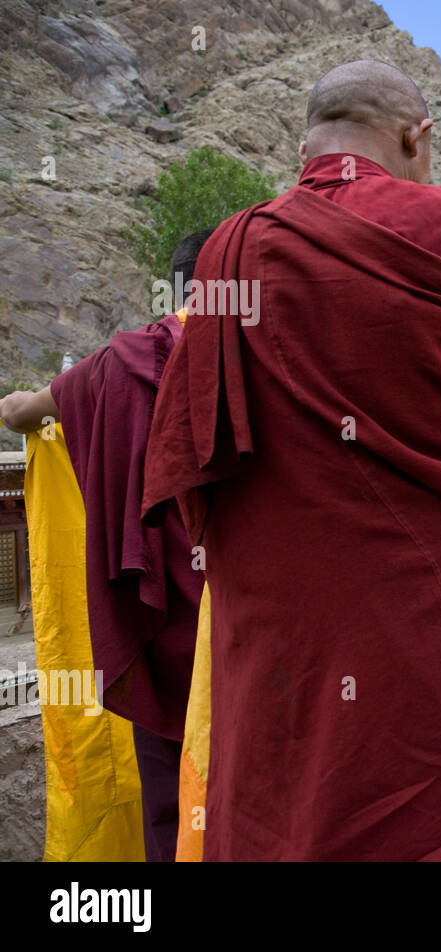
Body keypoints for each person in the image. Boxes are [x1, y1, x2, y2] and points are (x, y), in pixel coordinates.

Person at [140, 60, 441, 861]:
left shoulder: (228, 254)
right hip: (438, 605)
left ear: (307, 144)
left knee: (297, 786)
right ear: (417, 136)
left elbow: (194, 446)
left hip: (283, 624)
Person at [0, 229, 213, 861]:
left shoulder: (120, 365)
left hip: (163, 626)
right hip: (252, 621)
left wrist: (42, 406)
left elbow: (19, 413)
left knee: (172, 797)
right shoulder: (266, 351)